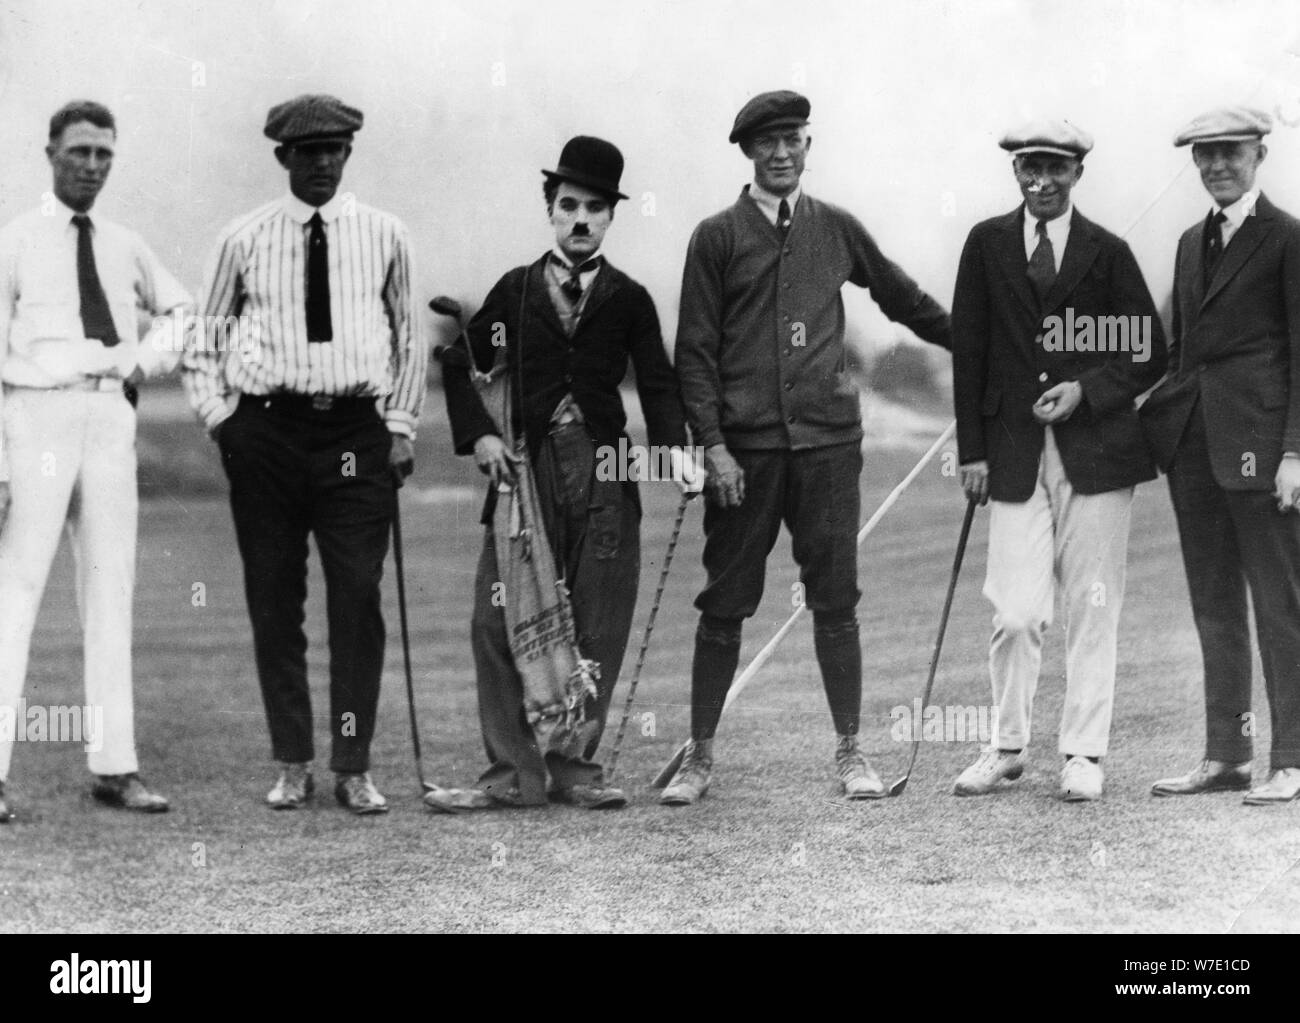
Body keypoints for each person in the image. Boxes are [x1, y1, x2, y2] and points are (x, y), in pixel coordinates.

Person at [665, 91, 951, 805]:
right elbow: (693, 354)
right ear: (748, 152)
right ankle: (698, 757)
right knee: (724, 603)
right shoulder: (716, 236)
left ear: (807, 145)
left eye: (793, 138)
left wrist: (976, 341)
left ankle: (852, 752)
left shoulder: (836, 228)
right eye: (768, 142)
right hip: (746, 455)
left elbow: (902, 297)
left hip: (828, 447)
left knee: (835, 599)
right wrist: (714, 448)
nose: (782, 152)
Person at [429, 136, 697, 812]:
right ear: (550, 209)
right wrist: (483, 435)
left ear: (610, 218)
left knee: (600, 617)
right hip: (525, 470)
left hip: (607, 467)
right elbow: (462, 361)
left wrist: (676, 456)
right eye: (569, 205)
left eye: (595, 208)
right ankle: (512, 773)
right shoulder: (516, 295)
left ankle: (574, 767)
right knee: (496, 618)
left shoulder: (629, 300)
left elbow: (659, 385)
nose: (581, 219)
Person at [181, 94, 426, 815]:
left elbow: (411, 339)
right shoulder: (244, 238)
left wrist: (402, 425)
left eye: (335, 150)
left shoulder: (385, 234)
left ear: (349, 153)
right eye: (308, 151)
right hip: (268, 433)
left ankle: (353, 763)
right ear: (283, 156)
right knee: (273, 597)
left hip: (357, 434)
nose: (322, 163)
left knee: (356, 596)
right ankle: (293, 761)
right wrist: (223, 421)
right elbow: (204, 340)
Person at [951, 119, 1167, 802]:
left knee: (1092, 602)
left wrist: (1086, 390)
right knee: (1014, 611)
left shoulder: (1108, 251)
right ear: (1015, 172)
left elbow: (1146, 351)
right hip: (1011, 455)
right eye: (1029, 168)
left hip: (1097, 453)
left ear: (1078, 173)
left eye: (1056, 169)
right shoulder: (986, 244)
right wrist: (972, 452)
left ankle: (1083, 752)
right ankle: (1007, 745)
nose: (1042, 181)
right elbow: (970, 354)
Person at [0, 100, 190, 821]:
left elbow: (183, 311)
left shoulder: (125, 242)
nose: (91, 166)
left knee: (110, 591)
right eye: (78, 151)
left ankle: (115, 766)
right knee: (14, 592)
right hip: (34, 415)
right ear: (49, 151)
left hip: (109, 415)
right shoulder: (15, 239)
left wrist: (143, 361)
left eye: (104, 154)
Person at [1142, 107, 1300, 805]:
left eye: (1229, 153)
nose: (1215, 166)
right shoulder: (1186, 241)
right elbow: (1181, 354)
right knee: (1214, 606)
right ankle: (1227, 752)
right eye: (1204, 155)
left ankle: (1291, 759)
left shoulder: (1289, 237)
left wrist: (1294, 453)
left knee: (1279, 604)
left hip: (1265, 452)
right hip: (1197, 452)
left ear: (1259, 154)